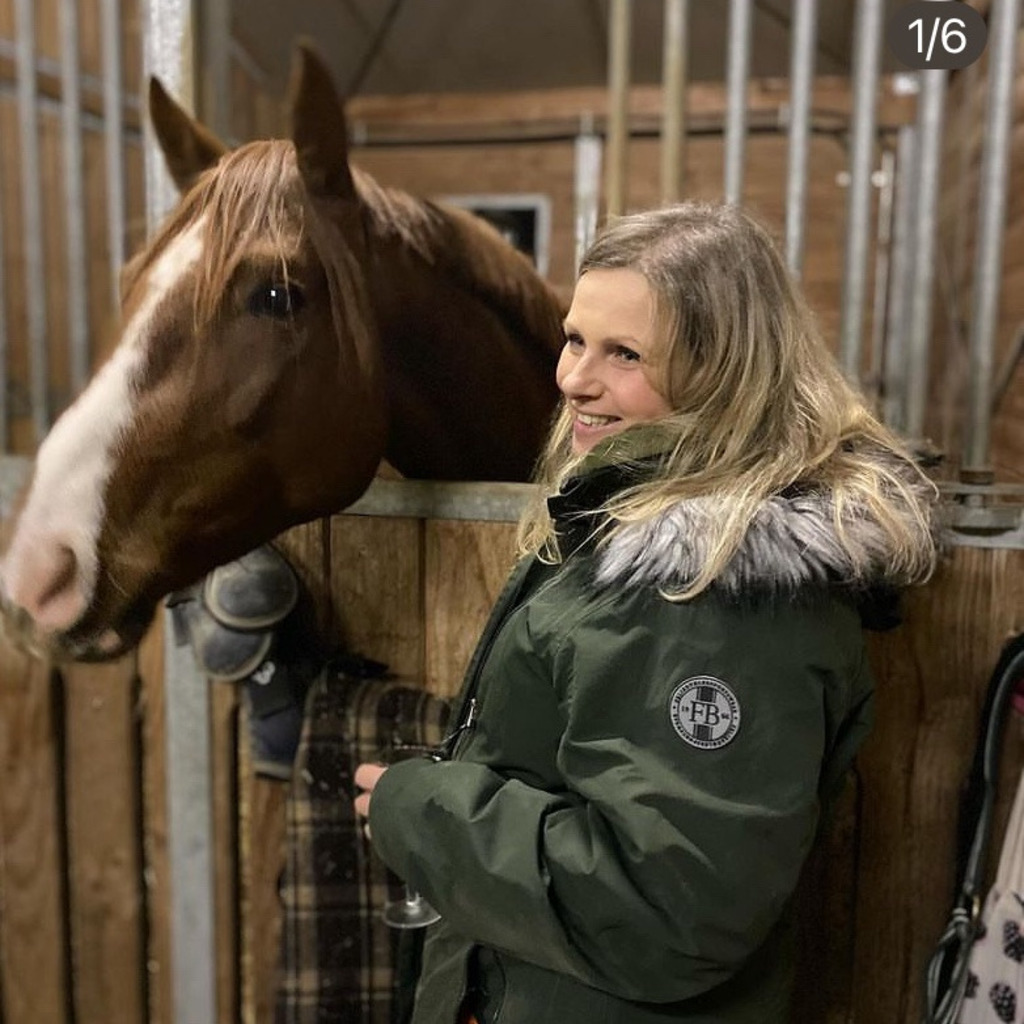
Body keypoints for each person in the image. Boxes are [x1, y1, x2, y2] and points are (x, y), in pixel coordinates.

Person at [353, 200, 938, 1024]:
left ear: (723, 373)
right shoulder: (624, 515)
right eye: (574, 338)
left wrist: (424, 813)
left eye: (624, 353)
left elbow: (667, 913)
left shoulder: (715, 594)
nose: (574, 380)